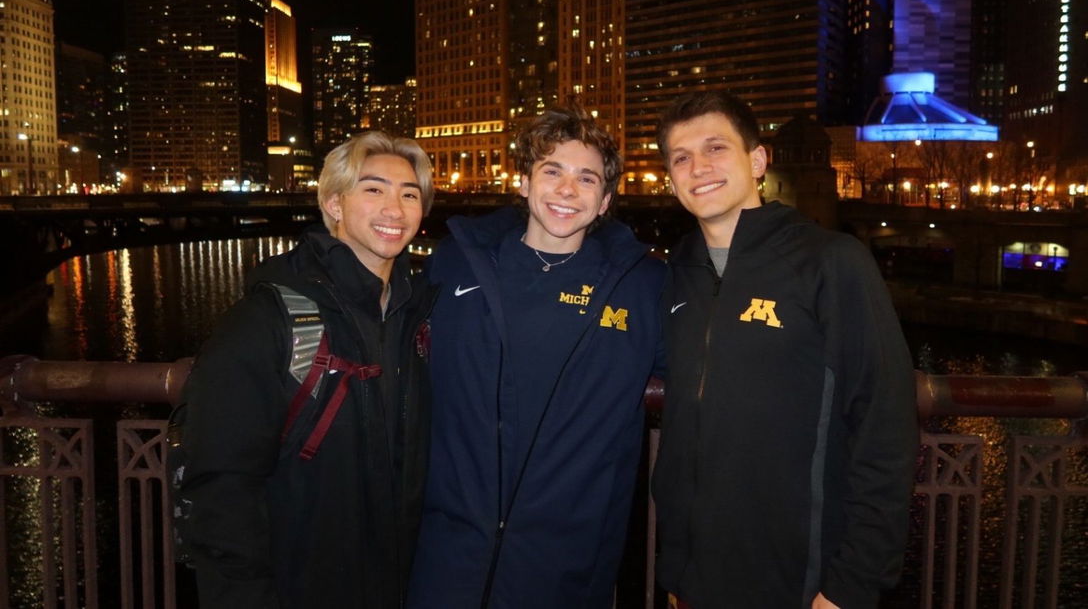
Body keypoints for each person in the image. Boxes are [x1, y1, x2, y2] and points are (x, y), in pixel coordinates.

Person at [651, 91, 918, 609]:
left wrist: (852, 583)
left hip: (800, 582)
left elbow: (884, 424)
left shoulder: (831, 261)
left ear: (757, 160)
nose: (697, 167)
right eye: (680, 157)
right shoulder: (677, 272)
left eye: (715, 148)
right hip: (693, 578)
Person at [408, 108, 665, 608]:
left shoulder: (644, 286)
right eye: (552, 171)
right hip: (446, 554)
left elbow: (715, 373)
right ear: (524, 183)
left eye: (586, 178)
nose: (568, 190)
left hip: (564, 565)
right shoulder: (455, 262)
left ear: (606, 200)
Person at [174, 131, 436, 608]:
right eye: (373, 189)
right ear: (334, 204)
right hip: (298, 586)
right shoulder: (268, 320)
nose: (395, 209)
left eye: (409, 194)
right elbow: (220, 485)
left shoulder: (415, 317)